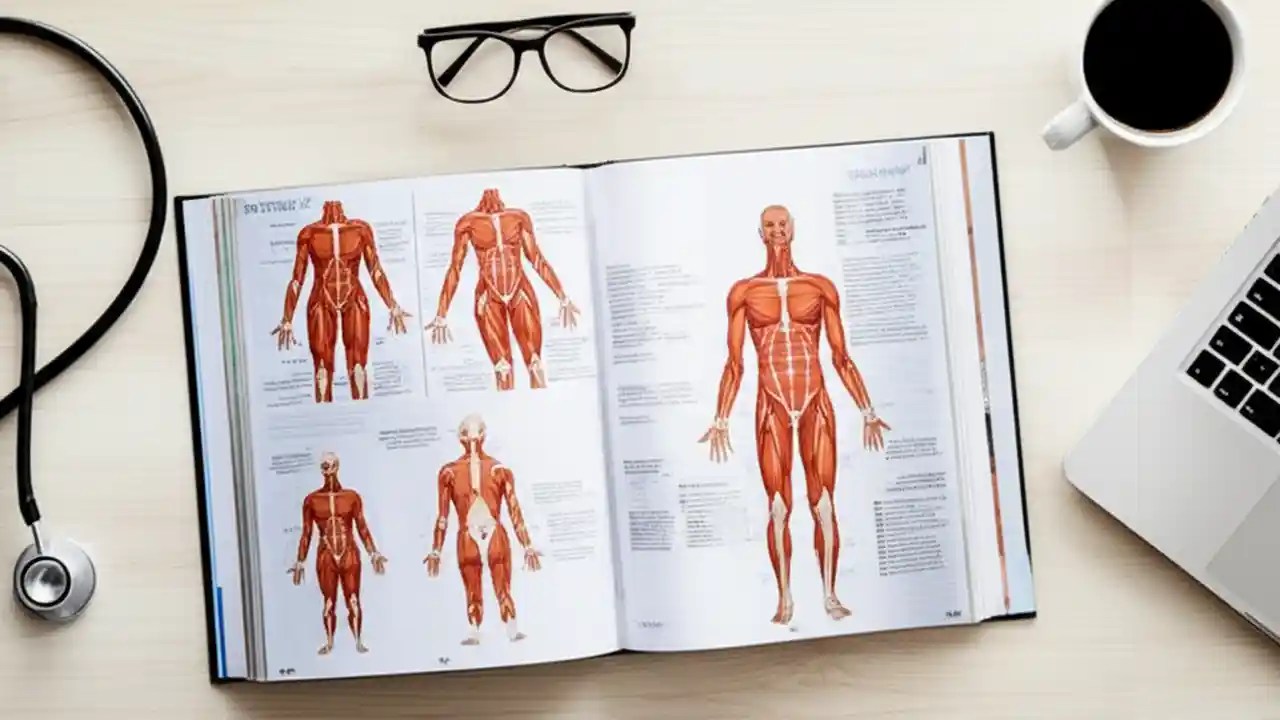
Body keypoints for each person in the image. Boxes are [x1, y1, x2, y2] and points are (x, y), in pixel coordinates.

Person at [699, 205, 890, 625]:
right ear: (760, 233)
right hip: (772, 402)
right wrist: (721, 418)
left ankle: (830, 595)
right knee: (778, 507)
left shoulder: (819, 287)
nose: (777, 230)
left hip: (814, 400)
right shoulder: (744, 292)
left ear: (793, 229)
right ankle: (785, 598)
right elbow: (735, 363)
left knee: (823, 503)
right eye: (769, 225)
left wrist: (867, 409)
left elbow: (840, 356)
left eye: (782, 224)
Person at [289, 452, 387, 655]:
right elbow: (306, 533)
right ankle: (330, 642)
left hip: (349, 553)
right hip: (326, 555)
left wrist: (373, 553)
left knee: (353, 600)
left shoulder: (351, 497)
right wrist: (300, 561)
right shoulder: (312, 500)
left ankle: (358, 641)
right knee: (328, 602)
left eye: (330, 465)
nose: (327, 470)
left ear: (337, 467)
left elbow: (362, 527)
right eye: (324, 466)